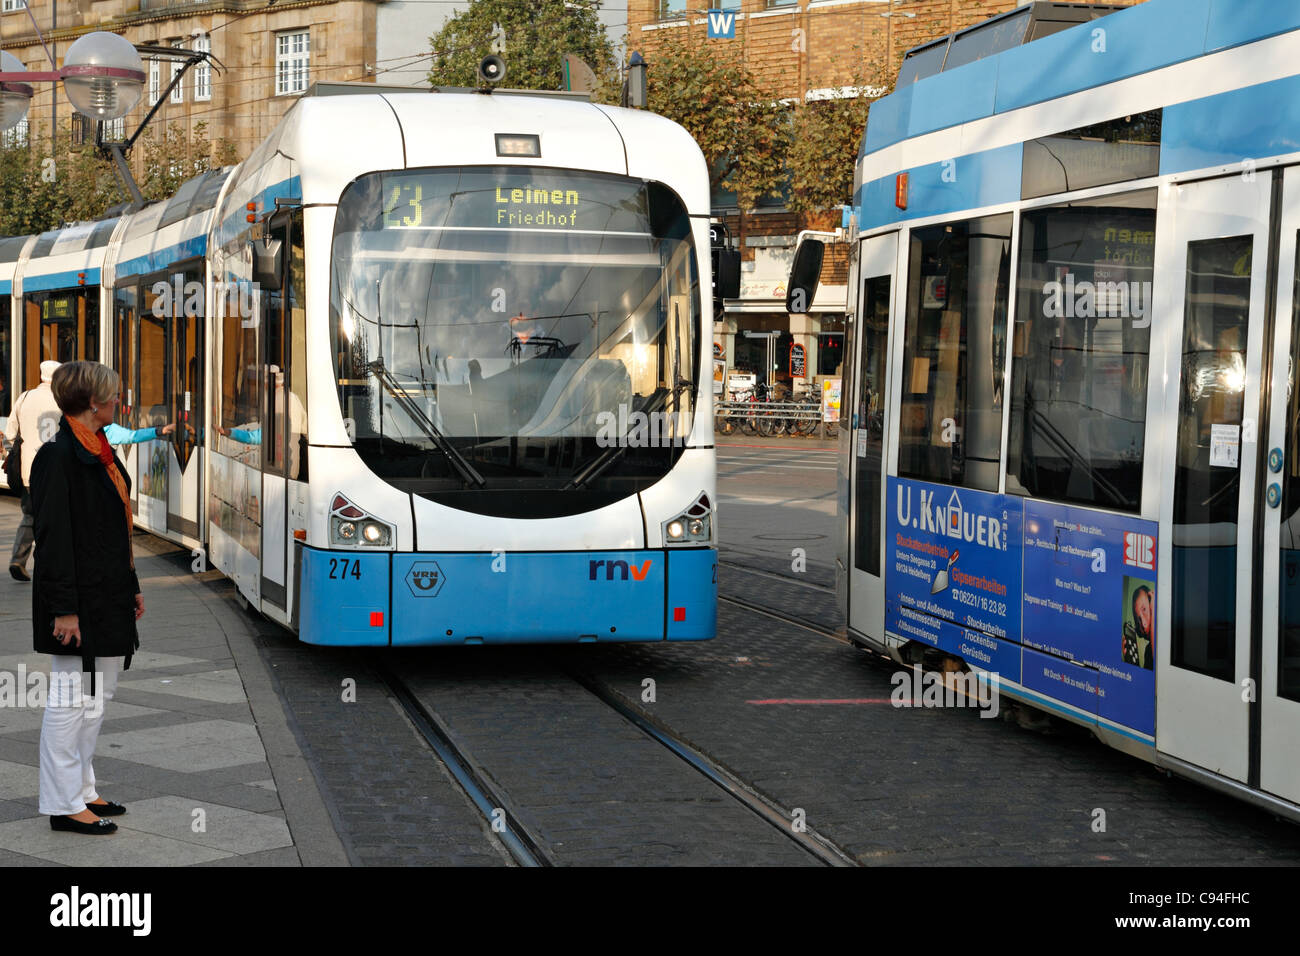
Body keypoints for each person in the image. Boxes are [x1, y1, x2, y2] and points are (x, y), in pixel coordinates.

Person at [32, 361, 144, 836]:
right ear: (93, 403)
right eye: (113, 395)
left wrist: (132, 585)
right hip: (76, 603)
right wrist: (65, 610)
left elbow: (114, 528)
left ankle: (83, 789)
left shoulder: (97, 447)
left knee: (98, 696)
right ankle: (62, 804)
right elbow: (53, 538)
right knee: (69, 700)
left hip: (108, 595)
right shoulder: (57, 456)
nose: (118, 401)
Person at [4, 361, 63, 581]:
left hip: (28, 469)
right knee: (56, 517)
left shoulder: (25, 397)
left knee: (30, 515)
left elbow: (10, 433)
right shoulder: (63, 400)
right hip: (56, 470)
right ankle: (48, 562)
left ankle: (18, 559)